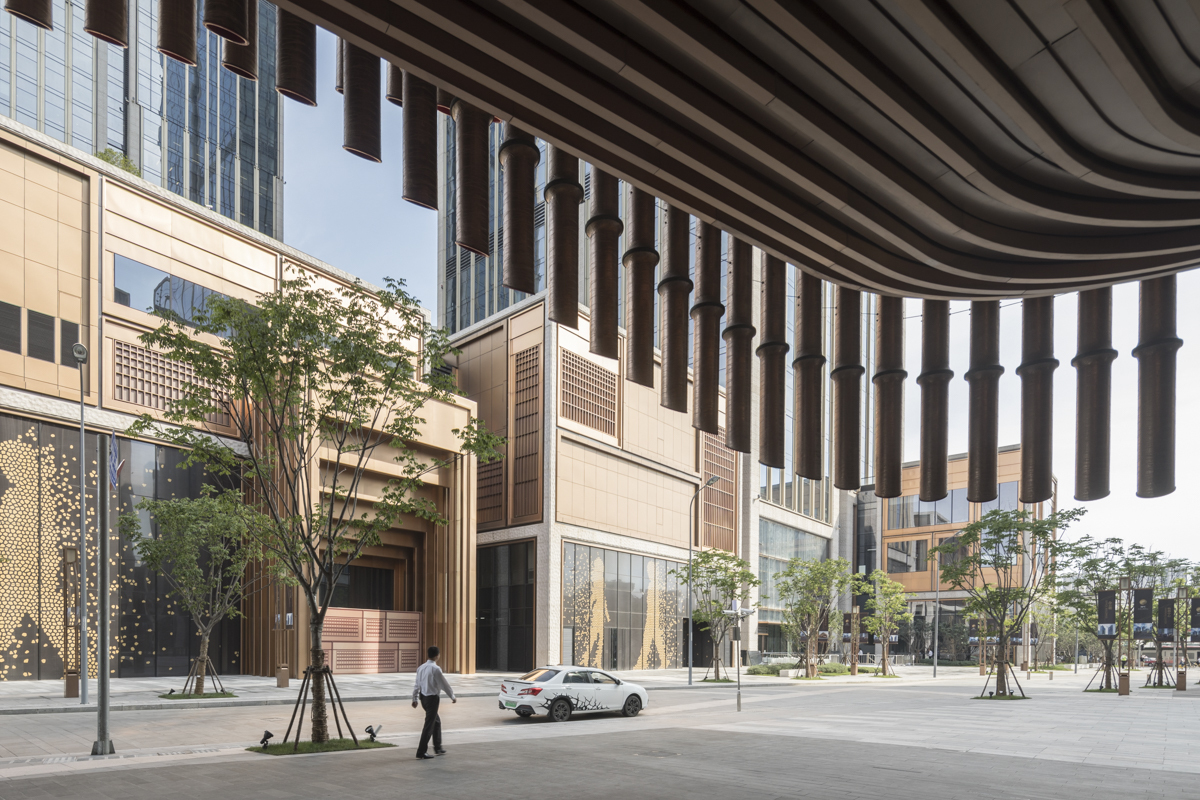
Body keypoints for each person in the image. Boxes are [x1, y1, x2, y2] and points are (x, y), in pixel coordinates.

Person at [412, 645, 456, 759]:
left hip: (423, 698)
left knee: (436, 721)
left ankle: (438, 747)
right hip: (432, 699)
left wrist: (414, 699)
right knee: (429, 725)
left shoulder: (421, 668)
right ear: (437, 656)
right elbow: (443, 684)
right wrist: (452, 696)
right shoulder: (436, 669)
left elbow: (417, 685)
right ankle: (421, 752)